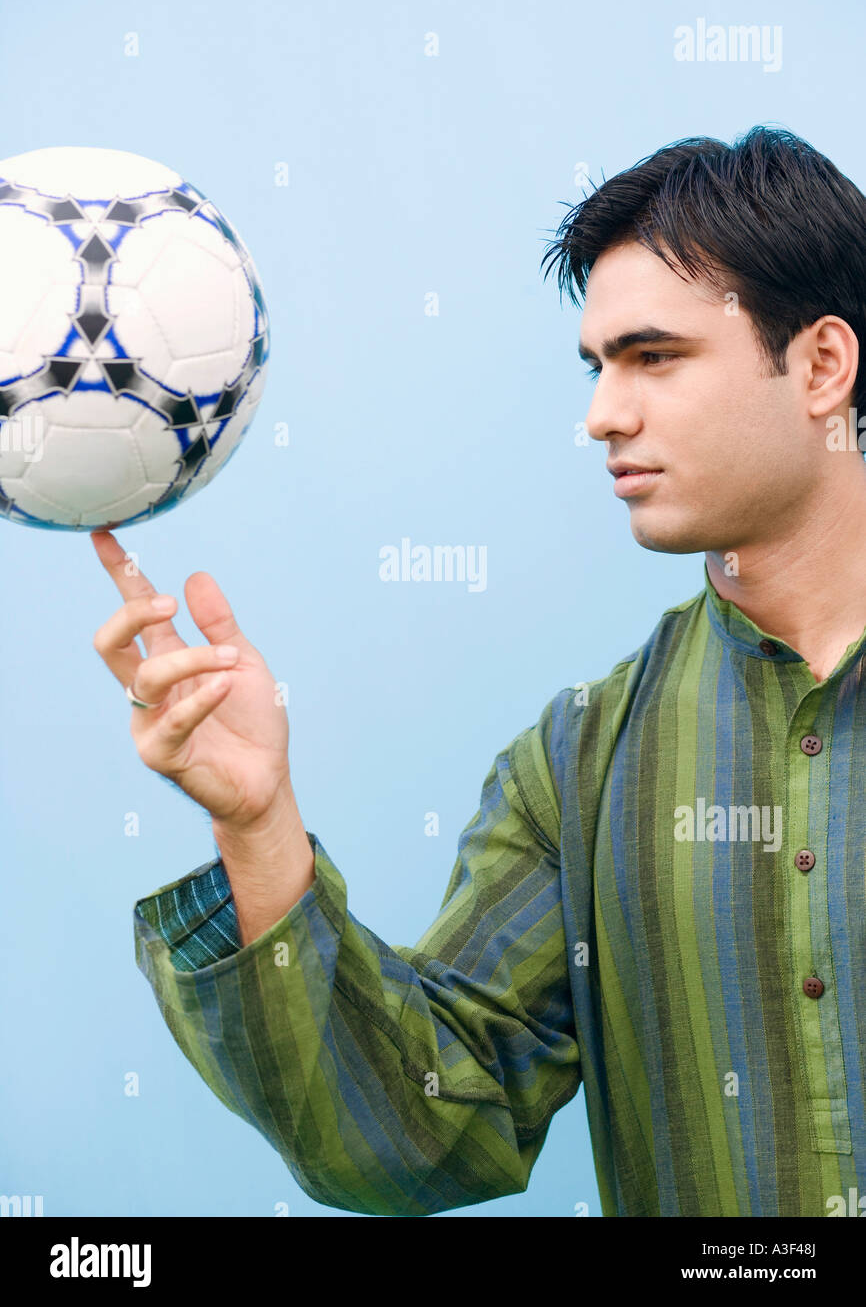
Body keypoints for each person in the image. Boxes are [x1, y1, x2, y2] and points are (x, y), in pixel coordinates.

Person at [92, 125, 866, 1217]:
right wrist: (258, 825)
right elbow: (418, 1129)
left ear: (820, 365)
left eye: (654, 356)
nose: (603, 413)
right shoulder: (580, 764)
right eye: (597, 367)